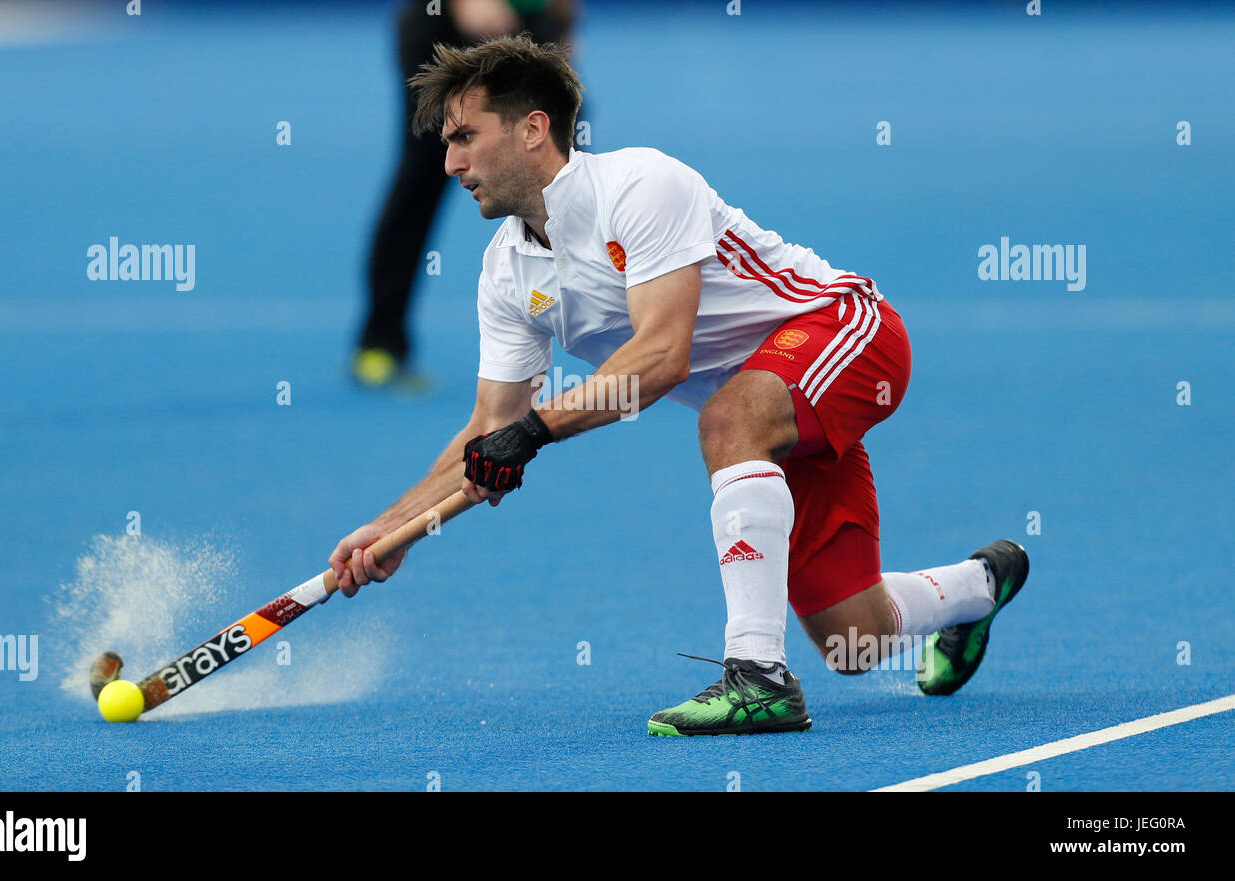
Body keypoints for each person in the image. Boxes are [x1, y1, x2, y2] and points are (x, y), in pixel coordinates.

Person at [330, 36, 1029, 736]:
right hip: (774, 415)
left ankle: (758, 678)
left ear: (533, 128)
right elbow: (489, 426)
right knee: (858, 638)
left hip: (850, 334)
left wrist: (535, 430)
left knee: (727, 418)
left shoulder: (639, 186)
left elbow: (661, 357)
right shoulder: (506, 269)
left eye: (464, 137)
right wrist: (393, 530)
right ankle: (980, 587)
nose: (450, 162)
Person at [354, 0, 579, 387]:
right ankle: (381, 341)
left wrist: (563, 22)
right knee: (423, 174)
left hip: (528, 24)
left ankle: (601, 325)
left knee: (562, 169)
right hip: (444, 23)